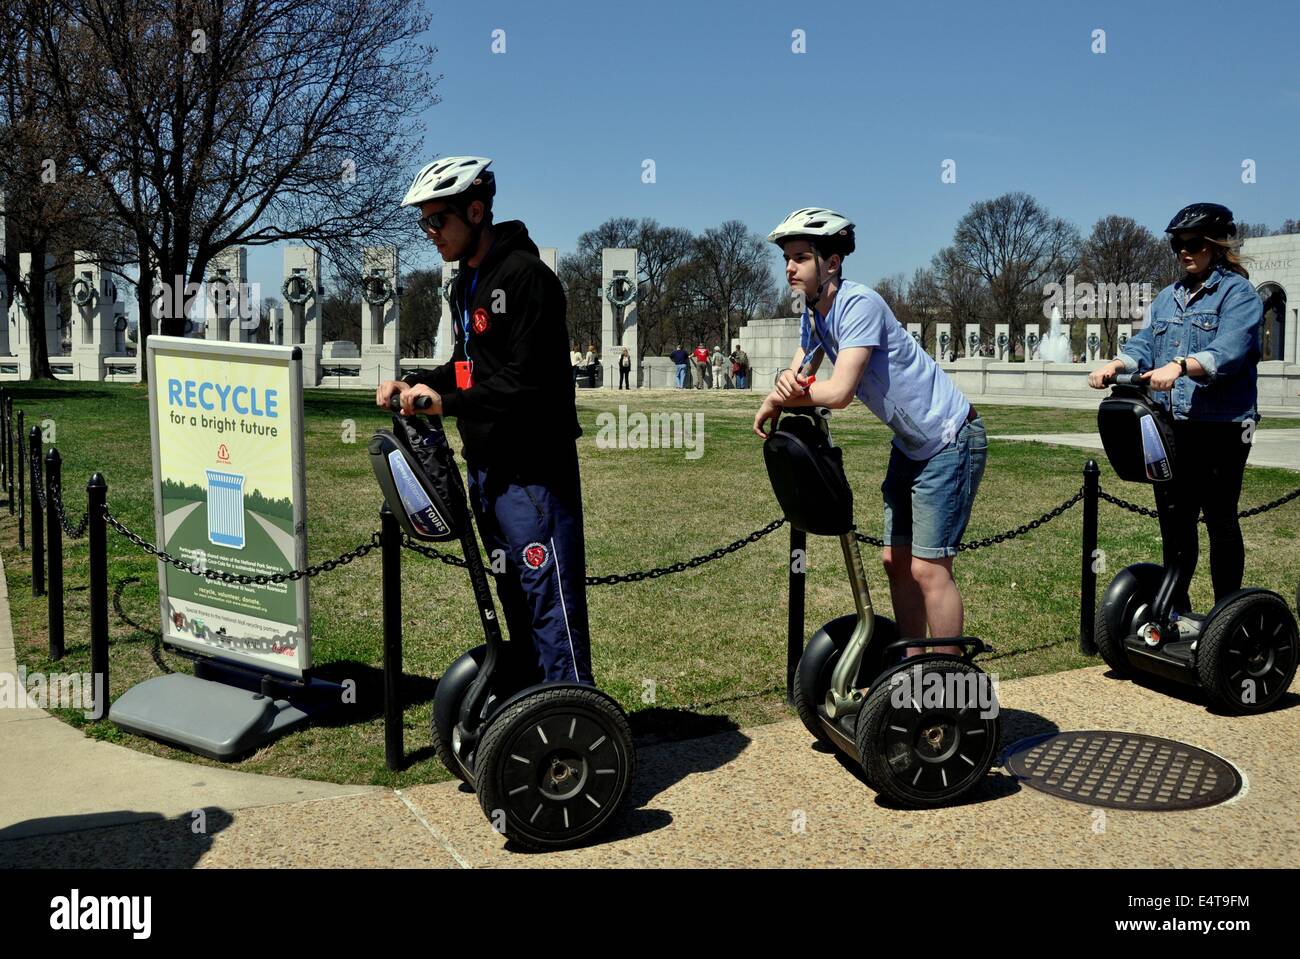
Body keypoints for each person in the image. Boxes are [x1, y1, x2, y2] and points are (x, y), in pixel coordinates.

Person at [376, 155, 594, 686]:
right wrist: (416, 382)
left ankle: (574, 713)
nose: (429, 233)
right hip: (486, 468)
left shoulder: (528, 279)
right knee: (515, 594)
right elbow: (467, 366)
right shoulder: (464, 284)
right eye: (423, 222)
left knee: (549, 598)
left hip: (533, 472)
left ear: (475, 212)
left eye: (437, 221)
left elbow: (527, 383)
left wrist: (442, 405)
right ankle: (528, 705)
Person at [752, 207, 985, 658]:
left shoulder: (859, 304)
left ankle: (947, 680)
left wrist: (783, 397)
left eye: (800, 257)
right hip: (911, 446)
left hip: (950, 439)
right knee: (894, 562)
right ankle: (911, 665)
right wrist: (778, 390)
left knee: (928, 569)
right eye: (787, 258)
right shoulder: (815, 313)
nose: (789, 268)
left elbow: (838, 392)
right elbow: (802, 371)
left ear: (832, 262)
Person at [1088, 202, 1262, 606]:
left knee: (1220, 520)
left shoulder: (1239, 295)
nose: (1184, 251)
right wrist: (1118, 363)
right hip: (1173, 425)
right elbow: (1147, 342)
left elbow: (1231, 349)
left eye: (1194, 243)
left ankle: (1227, 612)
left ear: (1216, 245)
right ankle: (1172, 607)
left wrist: (1183, 366)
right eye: (1177, 245)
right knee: (1175, 520)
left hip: (1222, 426)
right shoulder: (1169, 297)